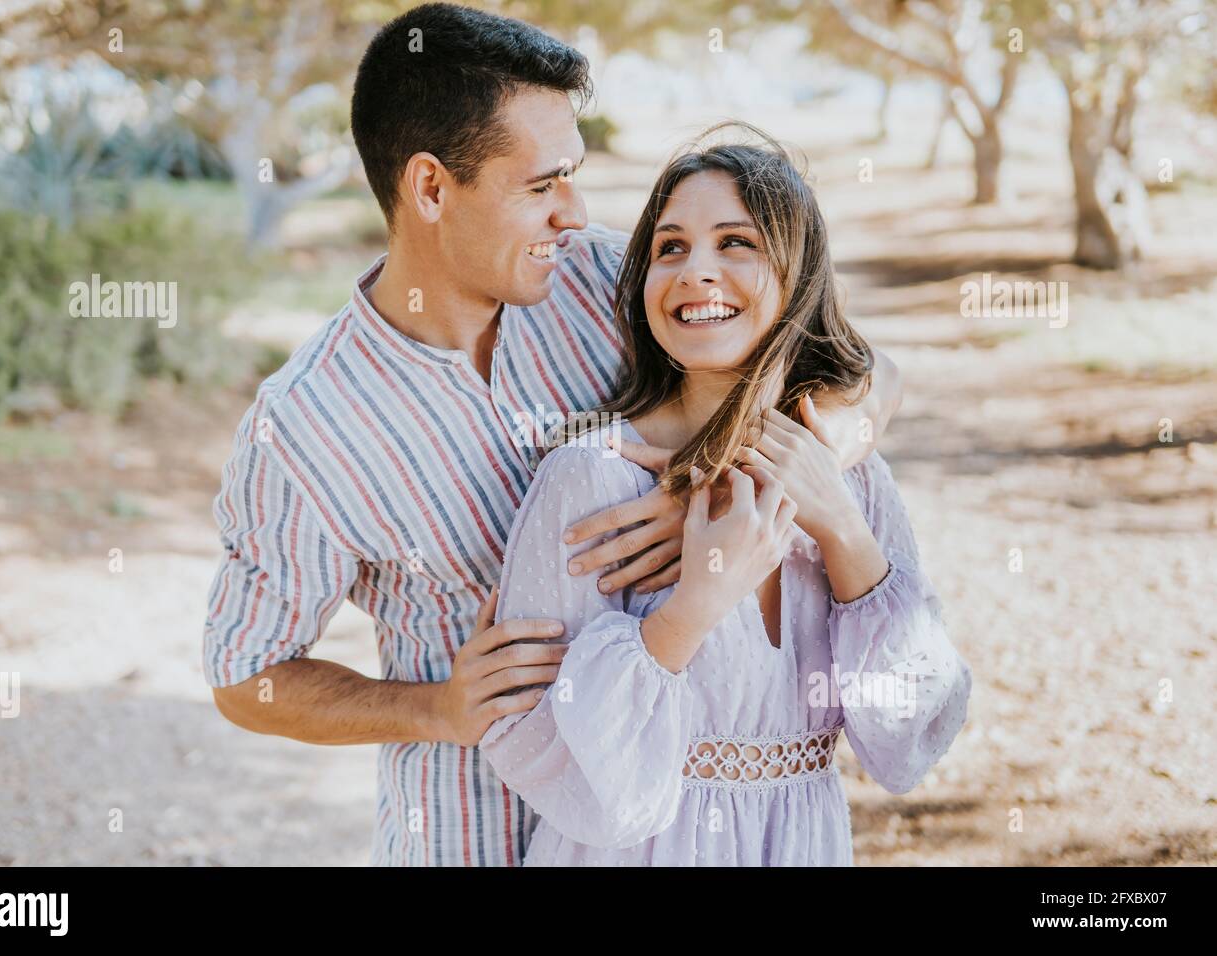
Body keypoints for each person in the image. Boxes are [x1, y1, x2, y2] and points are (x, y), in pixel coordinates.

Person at [202, 2, 902, 866]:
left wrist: (768, 472)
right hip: (471, 829)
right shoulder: (304, 427)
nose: (572, 212)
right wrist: (433, 708)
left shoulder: (608, 279)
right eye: (542, 185)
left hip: (662, 832)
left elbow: (840, 355)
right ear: (430, 187)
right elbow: (247, 677)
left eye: (572, 176)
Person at [479, 128, 973, 865]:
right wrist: (695, 605)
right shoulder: (592, 478)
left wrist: (842, 531)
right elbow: (538, 746)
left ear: (799, 272)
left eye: (735, 242)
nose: (695, 272)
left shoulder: (855, 479)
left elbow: (906, 742)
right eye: (670, 248)